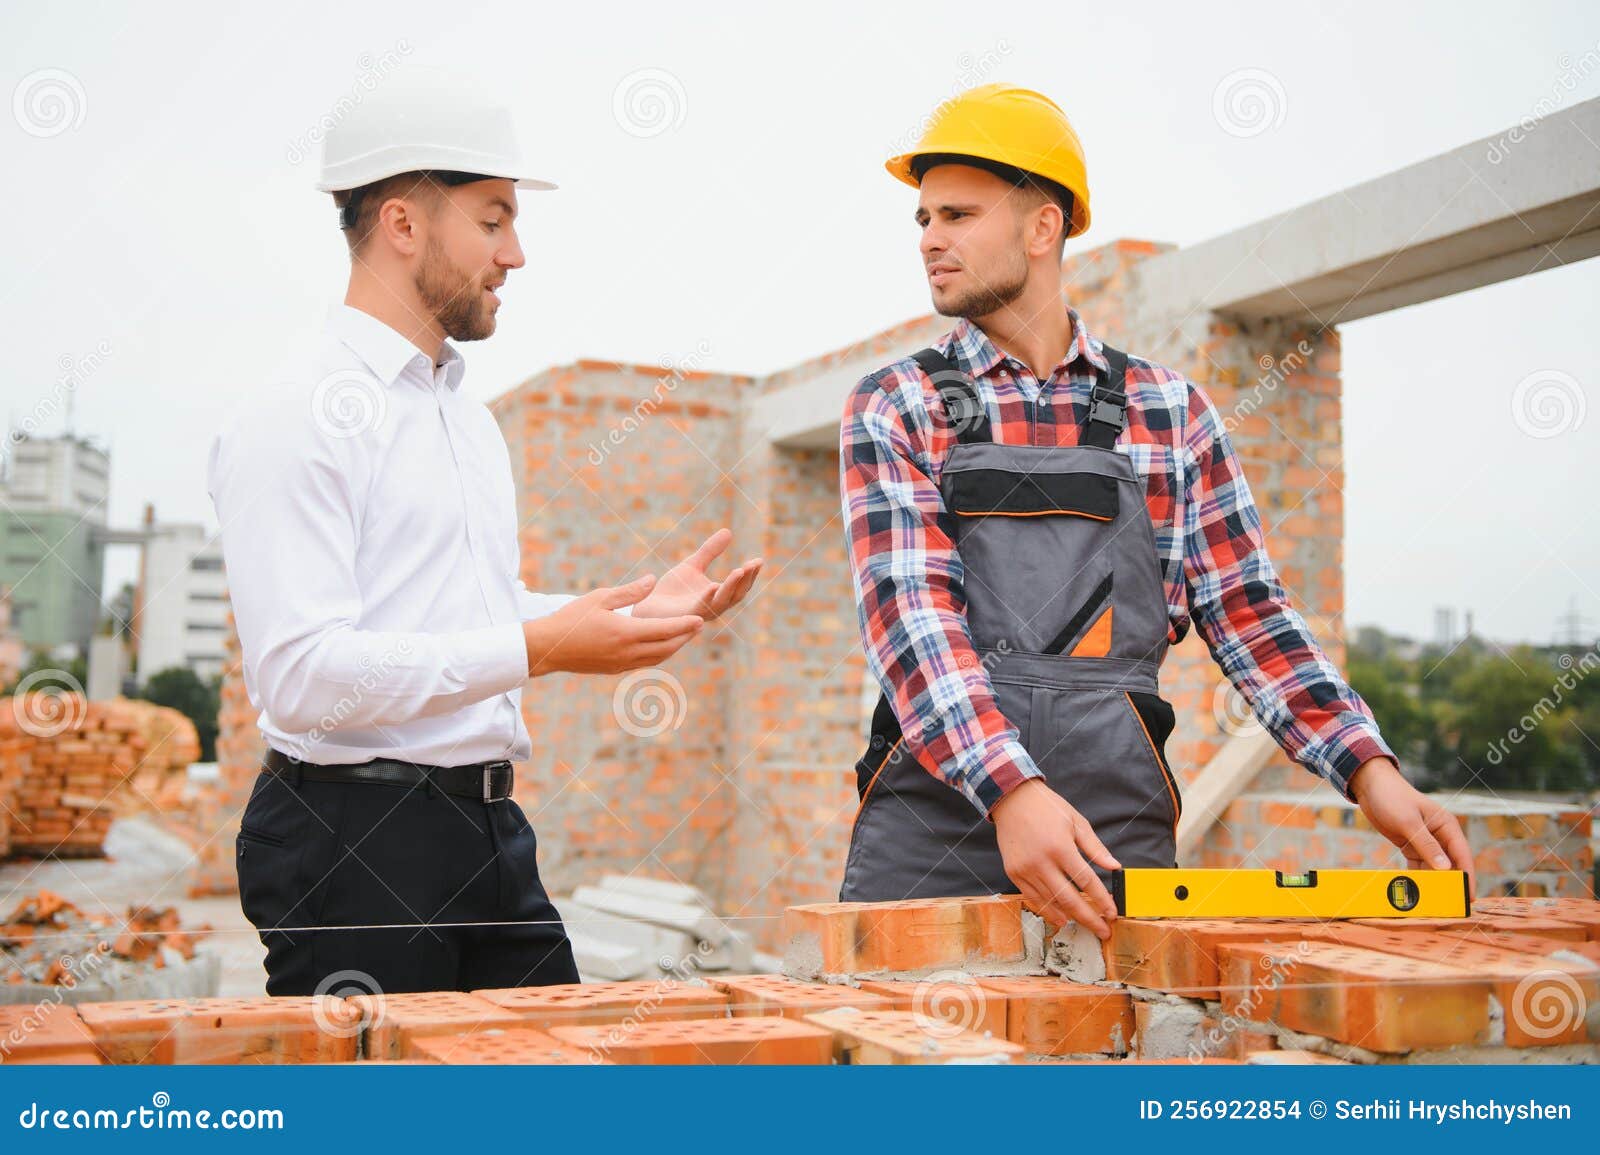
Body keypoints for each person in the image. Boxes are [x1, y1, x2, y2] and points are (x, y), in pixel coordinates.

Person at [837, 83, 1473, 939]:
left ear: (1042, 226)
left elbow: (1250, 614)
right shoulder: (895, 405)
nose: (931, 240)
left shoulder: (1168, 412)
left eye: (957, 214)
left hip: (1112, 839)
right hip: (934, 837)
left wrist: (1369, 768)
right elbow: (913, 626)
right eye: (922, 220)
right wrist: (1013, 791)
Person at [208, 92, 761, 995]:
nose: (516, 252)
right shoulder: (294, 415)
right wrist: (541, 647)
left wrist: (616, 612)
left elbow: (467, 614)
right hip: (354, 844)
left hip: (489, 830)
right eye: (492, 219)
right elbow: (300, 675)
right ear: (402, 223)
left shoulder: (461, 415)